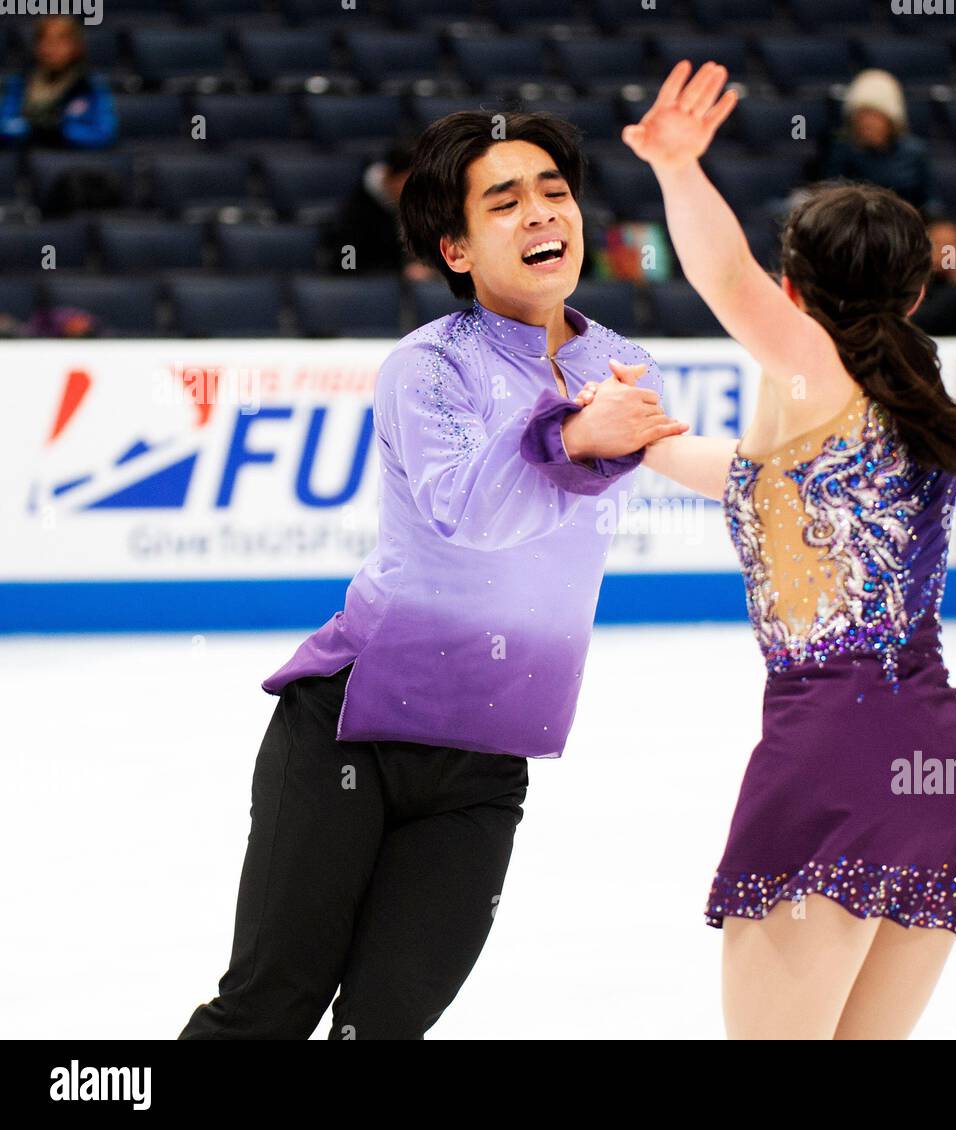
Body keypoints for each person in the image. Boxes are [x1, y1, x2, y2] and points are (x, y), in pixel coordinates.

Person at [178, 109, 688, 1040]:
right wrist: (575, 435)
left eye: (555, 192)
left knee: (384, 1026)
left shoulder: (625, 363)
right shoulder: (427, 366)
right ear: (455, 249)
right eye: (506, 202)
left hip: (489, 759)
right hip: (350, 728)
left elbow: (687, 462)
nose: (543, 215)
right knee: (267, 1011)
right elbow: (472, 511)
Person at [576, 61, 956, 1039]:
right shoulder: (907, 389)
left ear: (793, 287)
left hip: (839, 759)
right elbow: (762, 478)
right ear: (910, 294)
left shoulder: (813, 366)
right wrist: (645, 438)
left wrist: (680, 172)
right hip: (948, 771)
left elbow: (724, 280)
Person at [818, 68, 938, 215]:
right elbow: (829, 199)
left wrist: (934, 220)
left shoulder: (915, 151)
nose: (868, 123)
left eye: (875, 116)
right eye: (862, 115)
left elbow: (931, 201)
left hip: (905, 224)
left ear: (891, 120)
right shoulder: (842, 151)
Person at [324, 138, 435, 281]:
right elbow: (346, 260)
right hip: (371, 285)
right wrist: (398, 273)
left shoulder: (423, 204)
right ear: (389, 176)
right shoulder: (356, 213)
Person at [0, 15, 117, 149]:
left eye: (61, 41)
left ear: (76, 46)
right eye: (45, 40)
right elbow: (4, 126)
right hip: (28, 159)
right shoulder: (20, 83)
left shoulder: (90, 86)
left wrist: (62, 131)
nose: (52, 48)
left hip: (74, 162)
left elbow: (105, 135)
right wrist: (31, 128)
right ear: (37, 46)